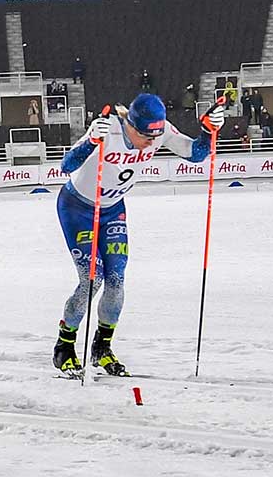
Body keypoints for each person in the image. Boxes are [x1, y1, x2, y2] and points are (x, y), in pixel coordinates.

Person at [52, 92, 224, 377]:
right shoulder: (109, 130)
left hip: (112, 209)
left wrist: (208, 130)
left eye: (154, 137)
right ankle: (65, 347)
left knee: (117, 280)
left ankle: (101, 347)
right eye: (145, 136)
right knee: (91, 281)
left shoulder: (160, 132)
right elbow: (66, 166)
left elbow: (196, 155)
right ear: (130, 124)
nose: (150, 143)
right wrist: (91, 140)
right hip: (78, 208)